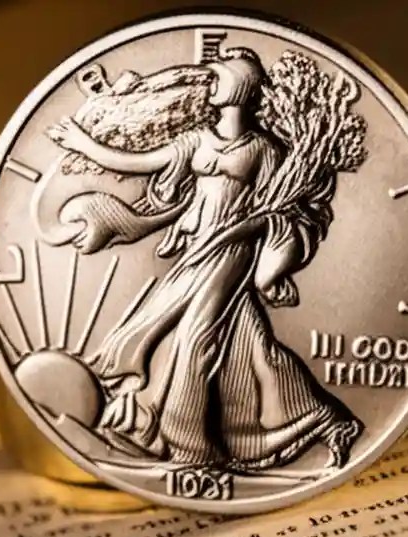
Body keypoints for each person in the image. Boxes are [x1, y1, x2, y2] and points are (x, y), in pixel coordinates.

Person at [48, 47, 362, 472]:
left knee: (196, 340)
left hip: (233, 252)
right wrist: (83, 143)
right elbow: (135, 163)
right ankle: (317, 420)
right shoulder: (195, 141)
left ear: (242, 87)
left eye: (219, 78)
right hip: (199, 250)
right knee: (184, 334)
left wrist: (249, 234)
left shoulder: (264, 150)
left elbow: (281, 209)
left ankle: (188, 446)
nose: (209, 84)